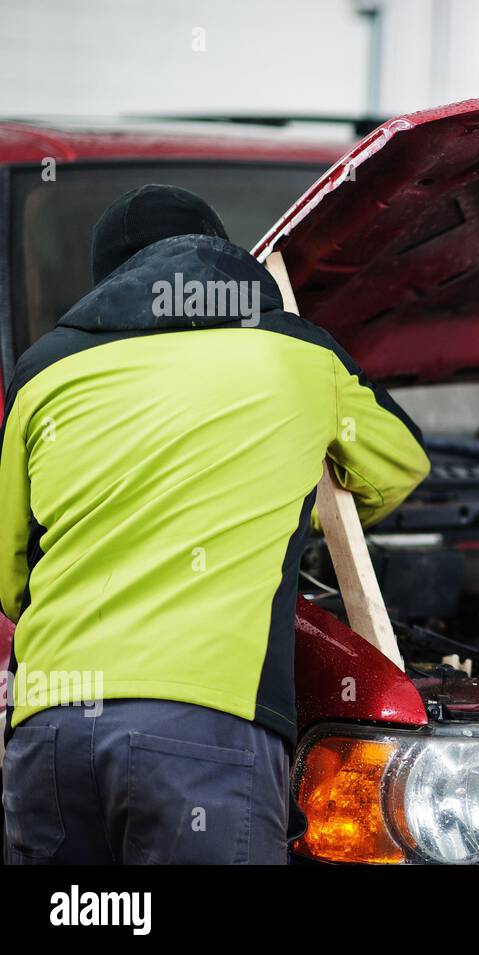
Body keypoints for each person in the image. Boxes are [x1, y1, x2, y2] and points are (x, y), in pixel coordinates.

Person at [0, 185, 429, 863]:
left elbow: (15, 579)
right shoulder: (300, 355)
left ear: (109, 281)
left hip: (50, 733)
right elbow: (398, 463)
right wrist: (270, 507)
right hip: (205, 734)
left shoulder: (44, 371)